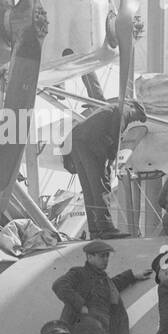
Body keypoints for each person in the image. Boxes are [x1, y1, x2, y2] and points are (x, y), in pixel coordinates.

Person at [66, 101, 147, 240]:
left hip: (76, 141)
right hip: (90, 144)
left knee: (89, 189)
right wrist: (111, 158)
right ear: (134, 107)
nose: (134, 120)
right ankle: (106, 228)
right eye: (137, 116)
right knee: (101, 186)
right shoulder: (124, 110)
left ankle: (95, 230)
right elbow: (115, 136)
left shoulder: (111, 108)